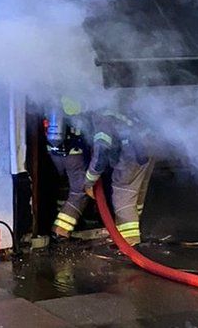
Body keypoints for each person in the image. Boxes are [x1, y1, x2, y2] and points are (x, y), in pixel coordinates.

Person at [83, 107, 154, 245]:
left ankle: (129, 242)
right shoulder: (118, 108)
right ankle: (132, 234)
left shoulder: (102, 119)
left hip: (130, 157)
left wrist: (89, 181)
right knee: (136, 196)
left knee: (123, 197)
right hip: (148, 152)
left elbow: (101, 155)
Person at [45, 97, 89, 239]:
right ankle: (61, 230)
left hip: (54, 152)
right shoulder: (73, 99)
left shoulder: (51, 100)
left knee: (64, 186)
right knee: (80, 190)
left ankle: (66, 217)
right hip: (73, 152)